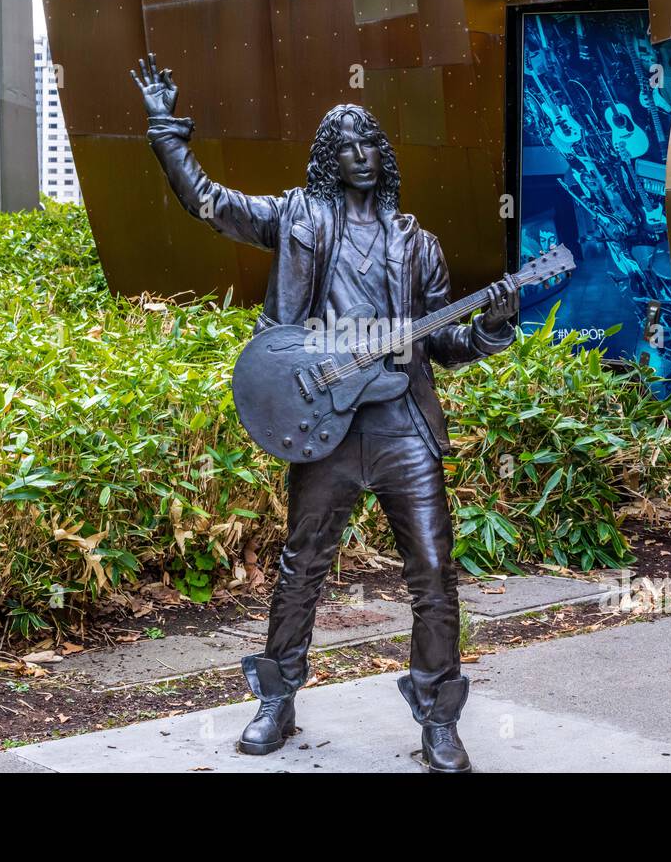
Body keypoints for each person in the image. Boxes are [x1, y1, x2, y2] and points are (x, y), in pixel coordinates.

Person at [132, 54, 518, 772]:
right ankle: (275, 701)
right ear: (327, 161)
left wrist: (493, 325)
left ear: (384, 153)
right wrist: (165, 134)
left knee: (433, 574)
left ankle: (439, 716)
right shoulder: (297, 218)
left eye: (368, 142)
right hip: (325, 426)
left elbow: (448, 342)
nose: (359, 156)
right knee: (301, 567)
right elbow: (211, 204)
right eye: (343, 147)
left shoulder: (417, 244)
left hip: (404, 424)